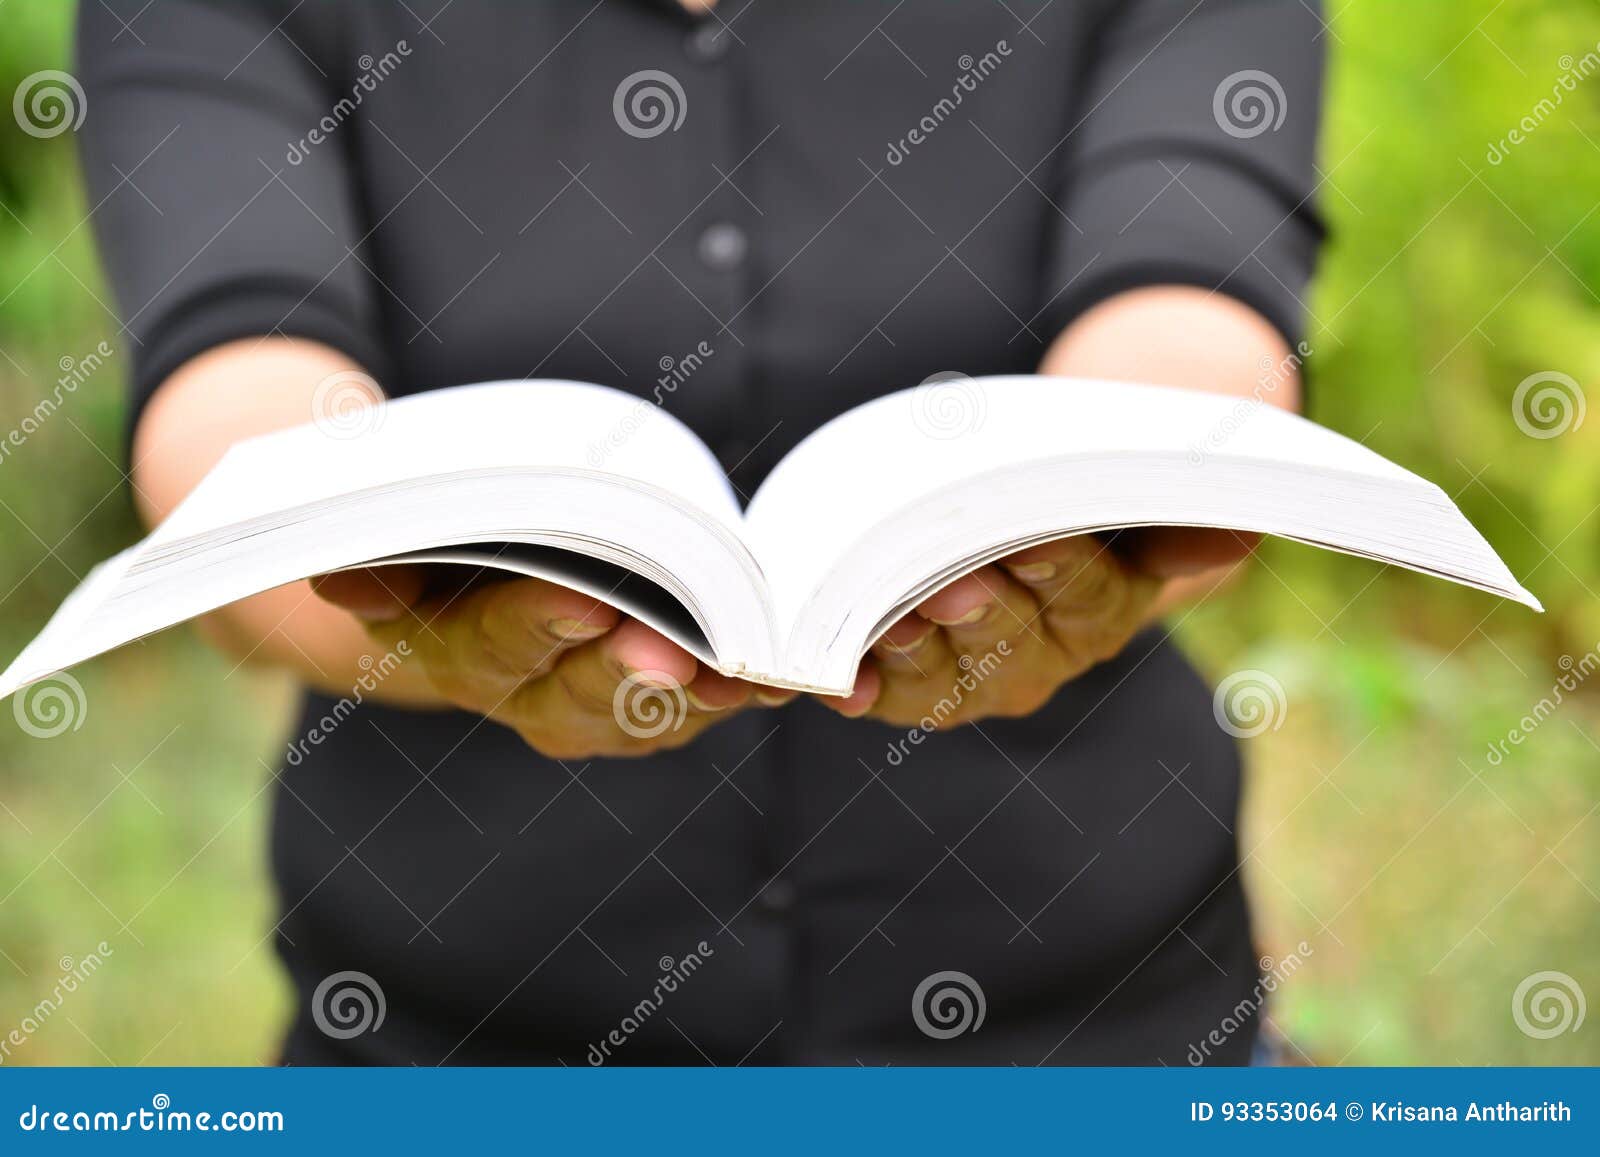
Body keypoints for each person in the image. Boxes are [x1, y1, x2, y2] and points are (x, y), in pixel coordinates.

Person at [76, 0, 1324, 1064]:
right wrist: (416, 624)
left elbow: (1193, 290)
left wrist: (1100, 516)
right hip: (467, 1049)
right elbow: (233, 376)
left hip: (1100, 1031)